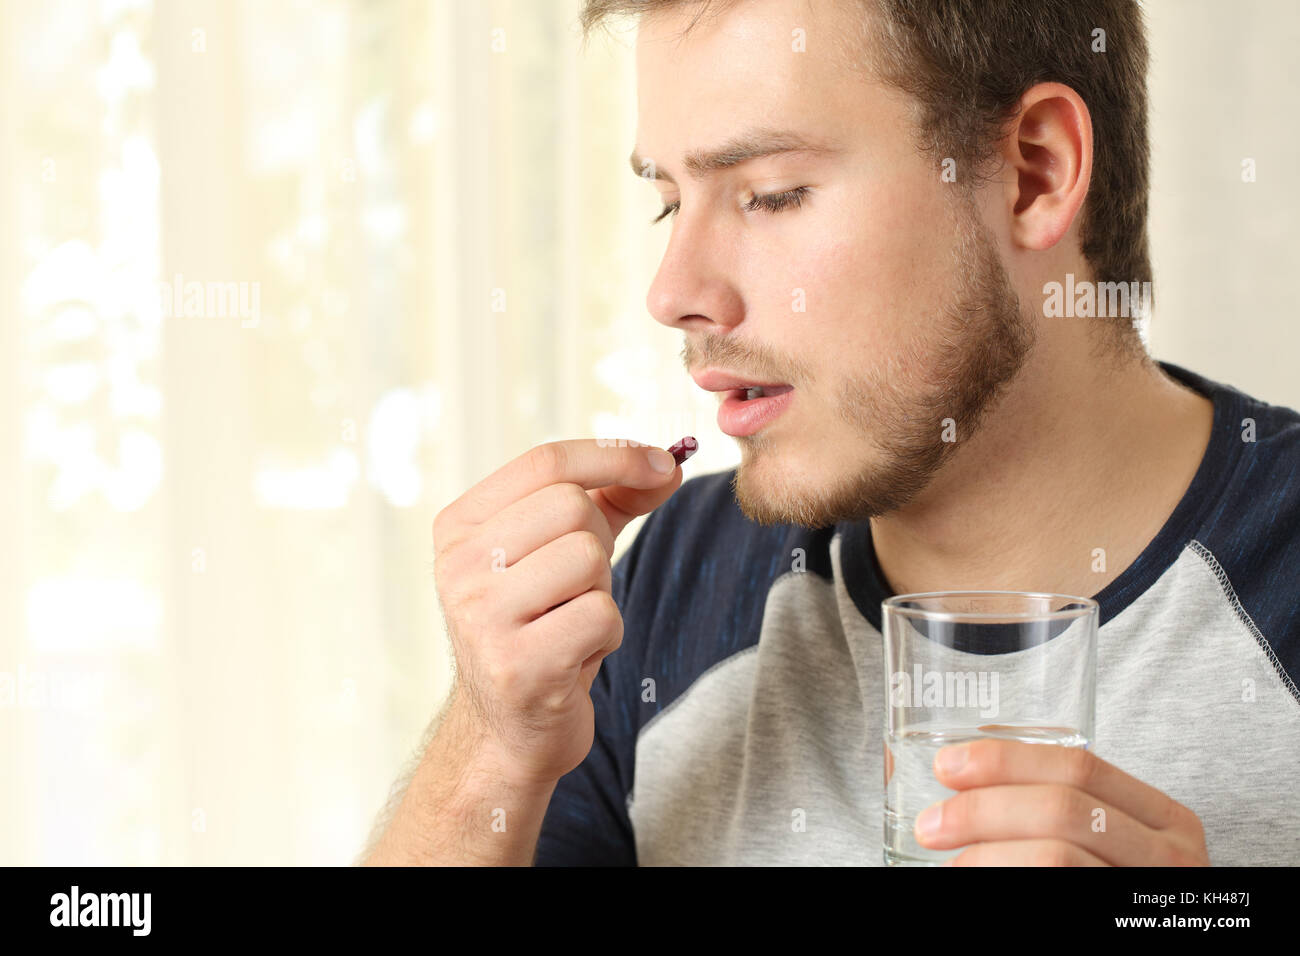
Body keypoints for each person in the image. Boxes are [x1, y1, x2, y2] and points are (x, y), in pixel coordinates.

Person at [362, 0, 1300, 866]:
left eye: (769, 194)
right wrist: (487, 751)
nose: (674, 294)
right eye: (669, 200)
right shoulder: (667, 584)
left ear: (1034, 174)